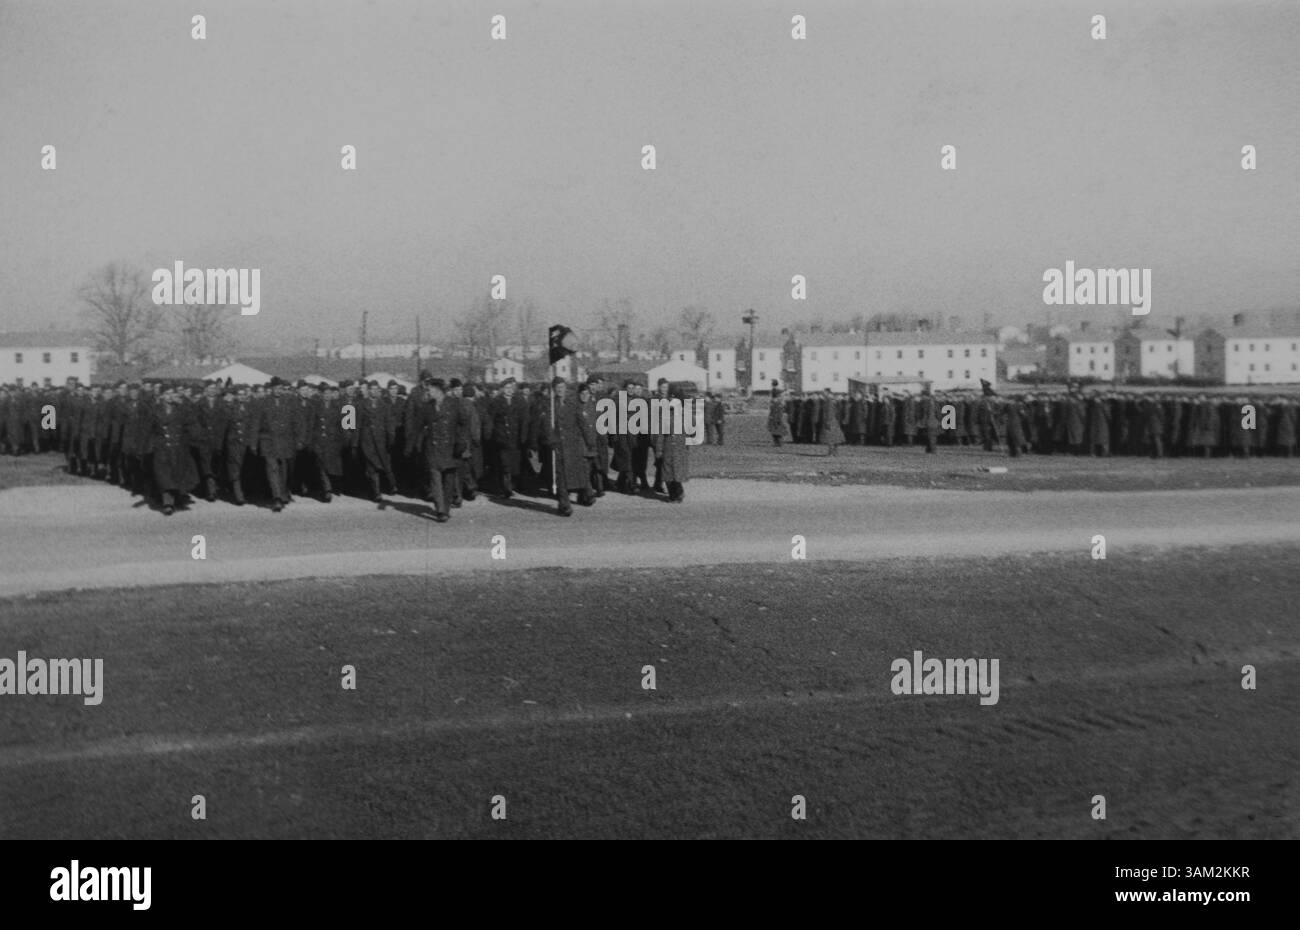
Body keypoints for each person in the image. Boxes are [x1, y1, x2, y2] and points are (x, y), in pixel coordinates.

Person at [821, 389, 845, 456]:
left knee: (830, 438)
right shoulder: (832, 401)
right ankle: (835, 452)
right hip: (834, 421)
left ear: (828, 393)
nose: (823, 394)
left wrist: (828, 421)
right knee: (835, 437)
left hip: (830, 421)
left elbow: (829, 412)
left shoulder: (829, 402)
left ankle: (831, 452)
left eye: (824, 393)